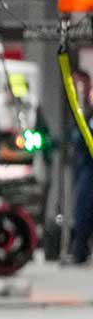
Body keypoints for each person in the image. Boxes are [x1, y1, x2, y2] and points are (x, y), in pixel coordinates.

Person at [70, 71, 93, 265]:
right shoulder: (84, 116)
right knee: (83, 210)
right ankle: (80, 251)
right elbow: (77, 139)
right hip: (87, 168)